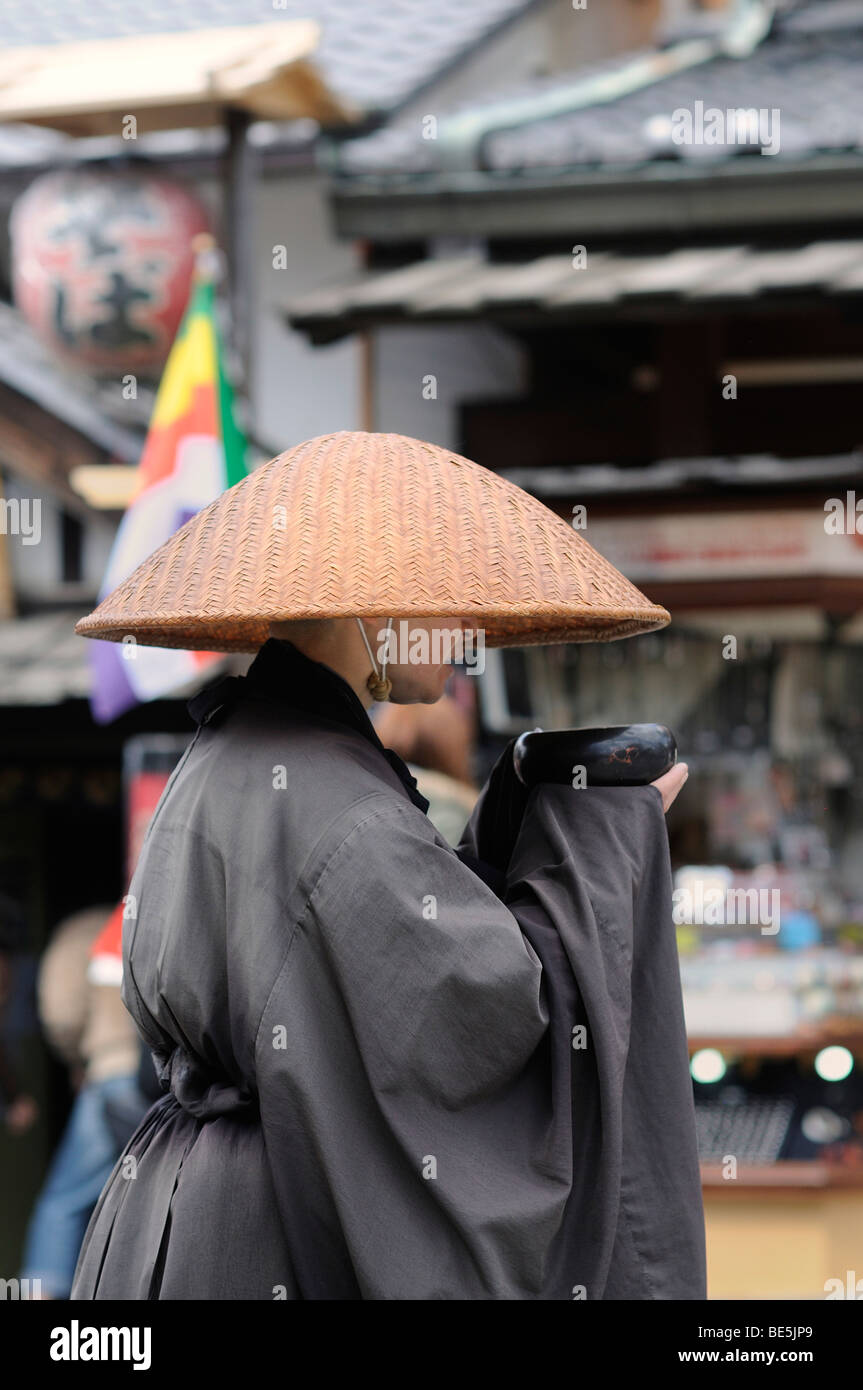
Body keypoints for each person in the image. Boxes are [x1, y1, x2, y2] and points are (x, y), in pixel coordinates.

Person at [71, 431, 704, 1300]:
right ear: (376, 606)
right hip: (275, 1227)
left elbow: (390, 968)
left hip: (183, 1213)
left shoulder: (238, 752)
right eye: (449, 599)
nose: (471, 631)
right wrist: (604, 838)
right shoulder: (339, 803)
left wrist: (517, 813)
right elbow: (488, 1017)